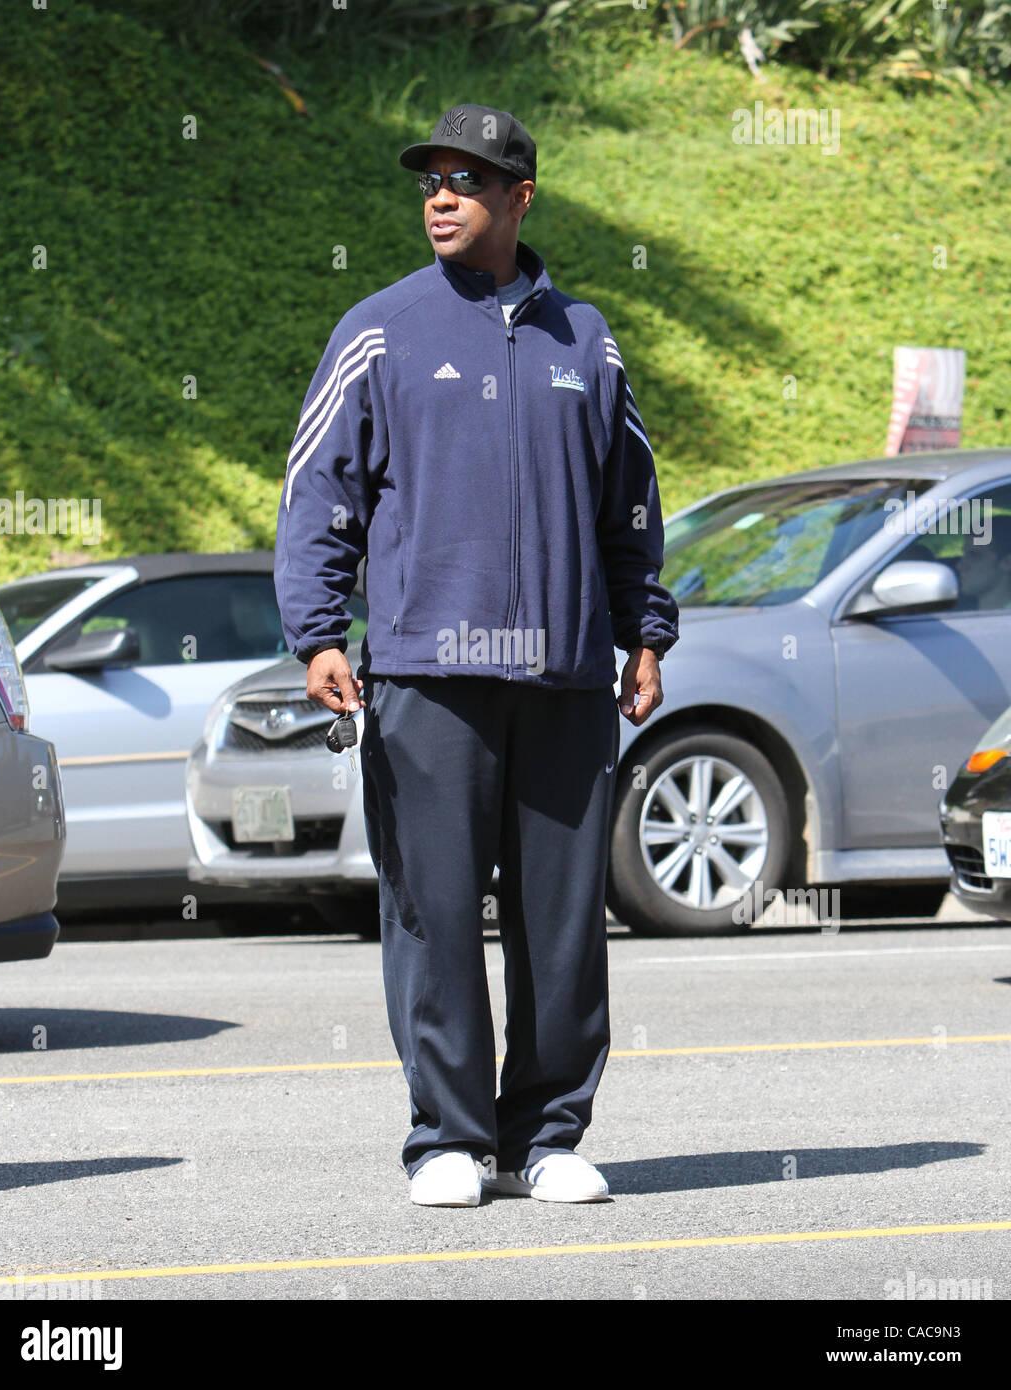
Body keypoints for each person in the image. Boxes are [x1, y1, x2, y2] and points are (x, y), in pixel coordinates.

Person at [274, 103, 679, 1207]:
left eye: (466, 178)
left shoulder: (585, 341)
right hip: (425, 676)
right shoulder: (379, 330)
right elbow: (320, 495)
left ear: (519, 197)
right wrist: (314, 632)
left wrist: (645, 629)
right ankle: (446, 1139)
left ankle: (547, 1134)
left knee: (558, 925)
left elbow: (628, 507)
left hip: (560, 682)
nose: (439, 196)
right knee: (434, 912)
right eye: (429, 179)